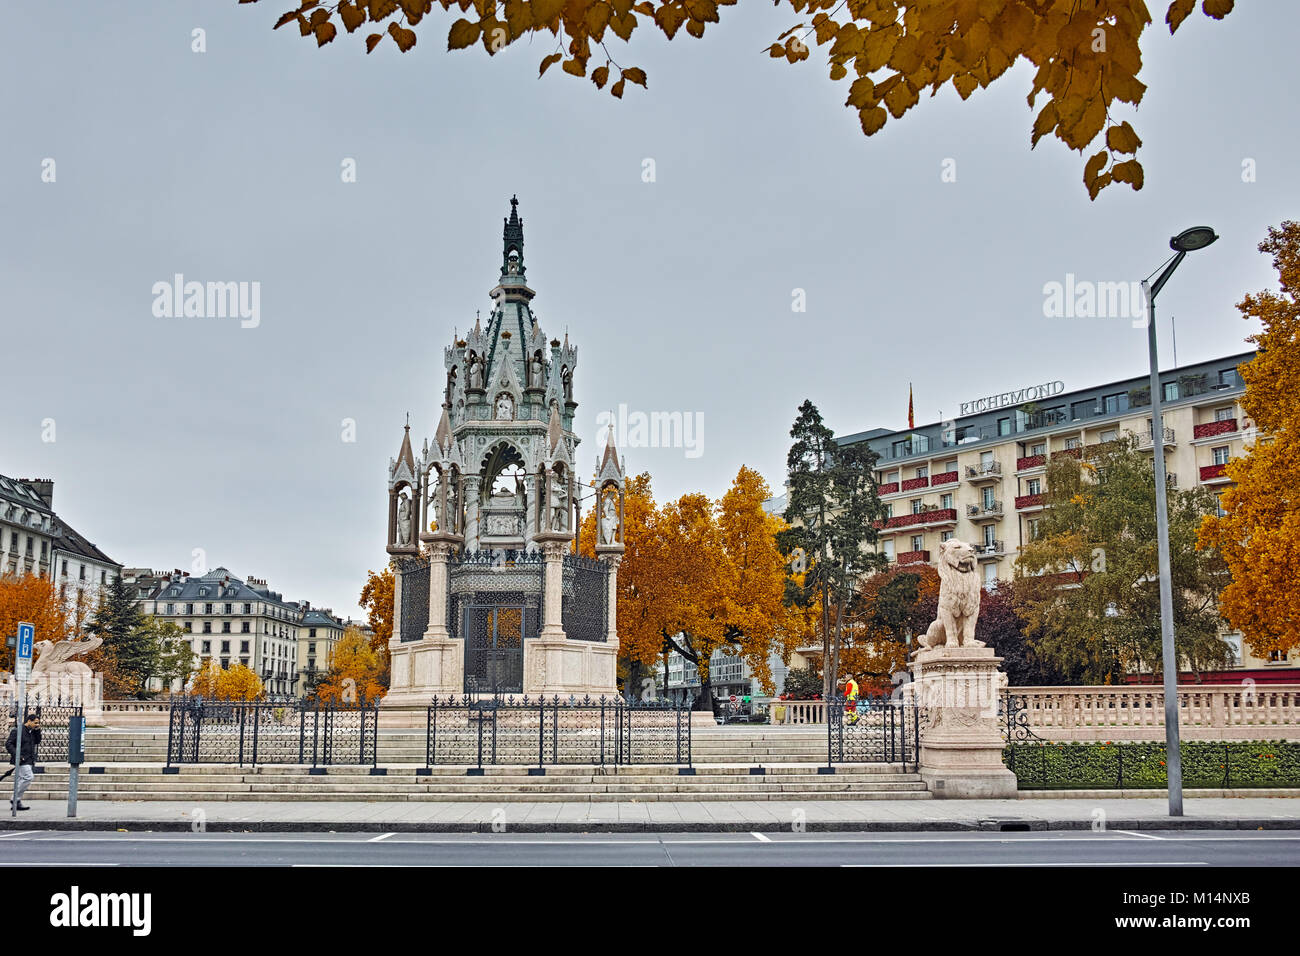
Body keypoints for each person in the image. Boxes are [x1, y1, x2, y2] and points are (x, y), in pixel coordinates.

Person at [5, 712, 41, 811]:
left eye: (38, 723)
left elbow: (38, 741)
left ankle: (16, 802)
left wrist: (37, 731)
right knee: (28, 777)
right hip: (21, 759)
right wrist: (17, 755)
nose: (37, 725)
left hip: (29, 759)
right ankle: (14, 798)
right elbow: (8, 744)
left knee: (22, 779)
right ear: (29, 721)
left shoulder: (32, 732)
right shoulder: (17, 731)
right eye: (35, 723)